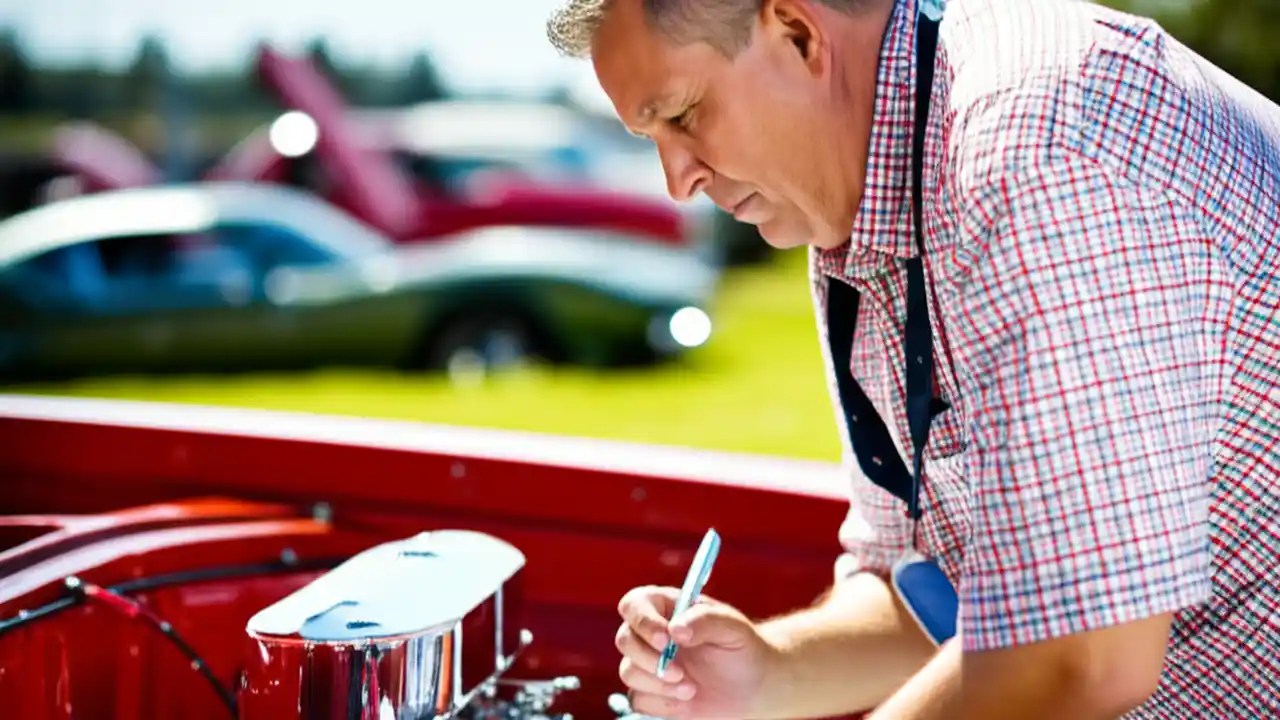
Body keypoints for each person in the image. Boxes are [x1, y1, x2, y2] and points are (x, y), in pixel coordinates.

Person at [546, 0, 1280, 717]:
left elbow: (1082, 651)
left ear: (798, 33)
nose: (679, 184)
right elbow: (927, 589)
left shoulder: (1034, 148)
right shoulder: (851, 224)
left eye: (682, 115)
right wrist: (772, 674)